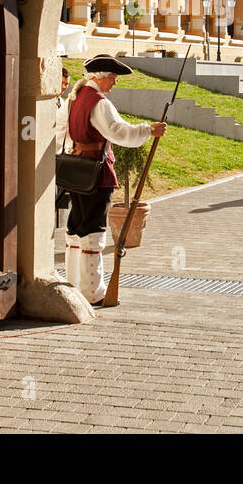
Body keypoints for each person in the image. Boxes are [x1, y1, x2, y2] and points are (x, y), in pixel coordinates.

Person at [64, 55, 166, 304]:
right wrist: (148, 130)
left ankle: (73, 284)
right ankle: (92, 292)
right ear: (99, 77)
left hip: (77, 169)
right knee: (93, 230)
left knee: (76, 227)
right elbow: (119, 132)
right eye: (112, 78)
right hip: (95, 173)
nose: (114, 83)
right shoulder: (98, 102)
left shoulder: (75, 98)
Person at [53, 67, 75, 279]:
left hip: (61, 158)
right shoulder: (48, 101)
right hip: (50, 157)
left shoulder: (61, 101)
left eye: (66, 85)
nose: (63, 87)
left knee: (59, 200)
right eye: (61, 83)